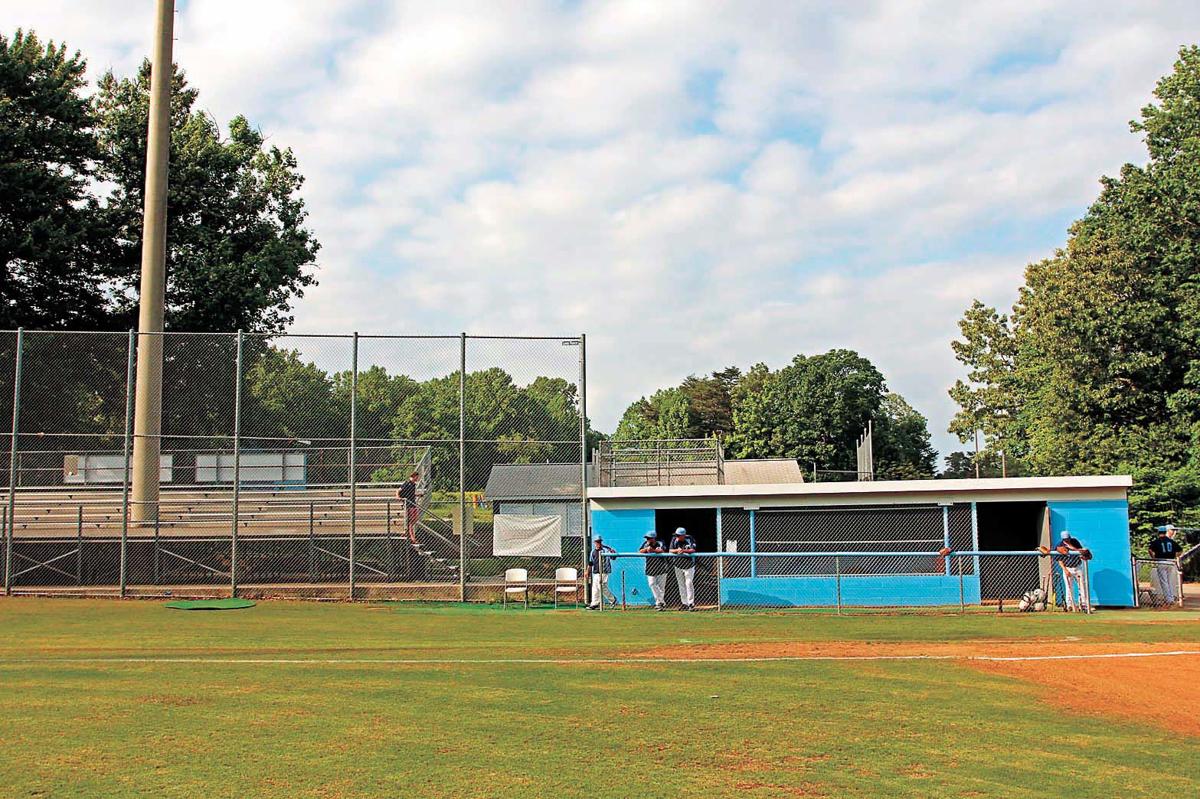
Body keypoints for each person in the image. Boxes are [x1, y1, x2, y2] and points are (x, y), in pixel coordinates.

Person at [1056, 529, 1090, 612]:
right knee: (1069, 587)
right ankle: (1070, 605)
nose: (1067, 540)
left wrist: (1075, 550)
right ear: (1062, 539)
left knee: (1082, 585)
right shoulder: (1059, 545)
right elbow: (1059, 560)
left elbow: (1081, 550)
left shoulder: (1074, 541)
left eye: (1068, 538)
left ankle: (1084, 604)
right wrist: (1065, 570)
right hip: (1067, 568)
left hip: (1077, 567)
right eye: (1065, 539)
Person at [1148, 525, 1182, 605]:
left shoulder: (1156, 541)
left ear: (1158, 532)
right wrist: (1175, 557)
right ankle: (1171, 597)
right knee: (1170, 581)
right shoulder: (1171, 541)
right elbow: (1180, 550)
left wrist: (1153, 557)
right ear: (1165, 532)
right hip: (1171, 562)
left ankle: (1169, 599)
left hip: (1161, 561)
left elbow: (1150, 549)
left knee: (1164, 582)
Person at [669, 526, 697, 611]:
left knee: (688, 583)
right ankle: (684, 603)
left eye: (679, 535)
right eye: (676, 535)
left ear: (683, 535)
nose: (677, 536)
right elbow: (670, 550)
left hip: (689, 565)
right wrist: (677, 550)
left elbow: (693, 550)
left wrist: (684, 551)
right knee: (681, 585)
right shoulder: (674, 539)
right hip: (678, 565)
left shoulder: (689, 538)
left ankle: (691, 603)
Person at [639, 531, 668, 611]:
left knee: (661, 587)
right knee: (652, 584)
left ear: (653, 538)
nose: (647, 539)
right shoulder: (646, 544)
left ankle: (659, 604)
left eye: (649, 538)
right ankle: (661, 602)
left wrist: (653, 550)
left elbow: (663, 550)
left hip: (661, 567)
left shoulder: (660, 542)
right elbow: (640, 551)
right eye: (647, 538)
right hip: (650, 568)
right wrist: (646, 549)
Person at [586, 536, 617, 609]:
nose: (598, 543)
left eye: (599, 541)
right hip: (596, 572)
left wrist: (613, 552)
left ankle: (613, 600)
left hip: (604, 571)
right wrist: (587, 571)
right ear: (594, 542)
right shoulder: (593, 552)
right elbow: (591, 563)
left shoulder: (605, 550)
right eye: (597, 541)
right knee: (595, 588)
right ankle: (594, 603)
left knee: (601, 586)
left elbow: (613, 558)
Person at [396, 471, 423, 544]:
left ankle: (407, 532)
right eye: (417, 477)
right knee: (411, 521)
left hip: (413, 503)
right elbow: (398, 490)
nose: (417, 478)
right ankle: (412, 537)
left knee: (415, 519)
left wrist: (418, 495)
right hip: (408, 504)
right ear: (414, 476)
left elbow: (412, 493)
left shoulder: (413, 484)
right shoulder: (407, 483)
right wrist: (398, 497)